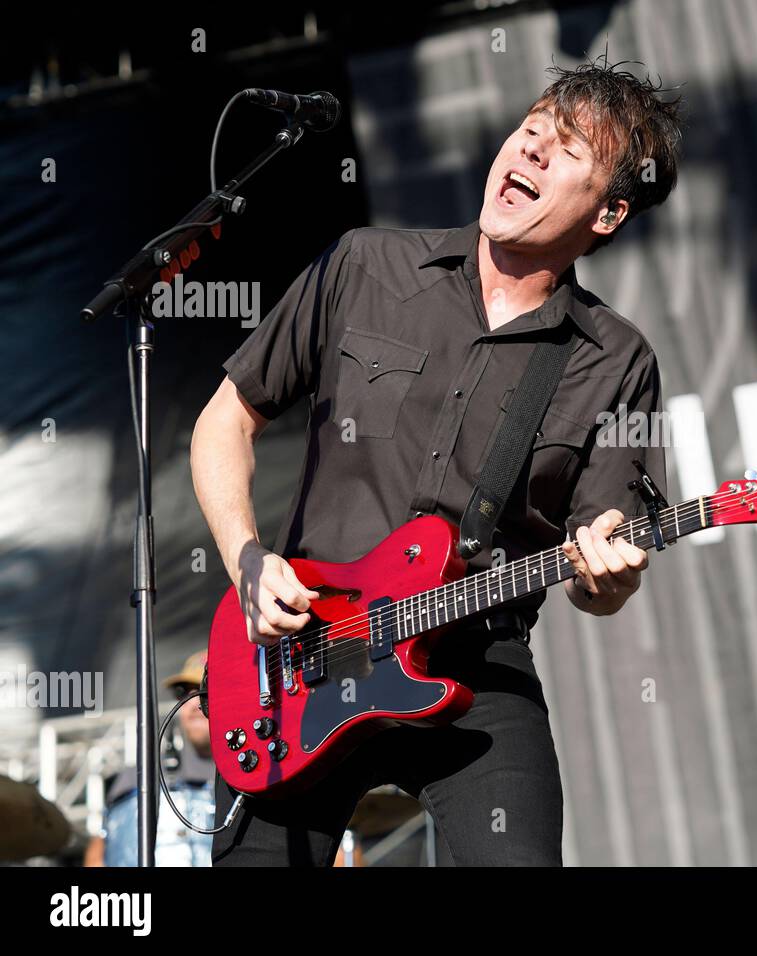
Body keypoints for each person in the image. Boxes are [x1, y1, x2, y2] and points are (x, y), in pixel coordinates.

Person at [190, 57, 684, 866]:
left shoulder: (615, 358)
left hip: (475, 662)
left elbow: (603, 563)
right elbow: (223, 421)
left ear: (608, 213)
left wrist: (610, 575)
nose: (527, 153)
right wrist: (248, 561)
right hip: (299, 656)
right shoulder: (365, 265)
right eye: (529, 132)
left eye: (563, 152)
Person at [86, 651, 216, 867]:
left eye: (204, 690)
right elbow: (101, 845)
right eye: (183, 693)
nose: (193, 704)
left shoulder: (261, 770)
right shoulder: (142, 772)